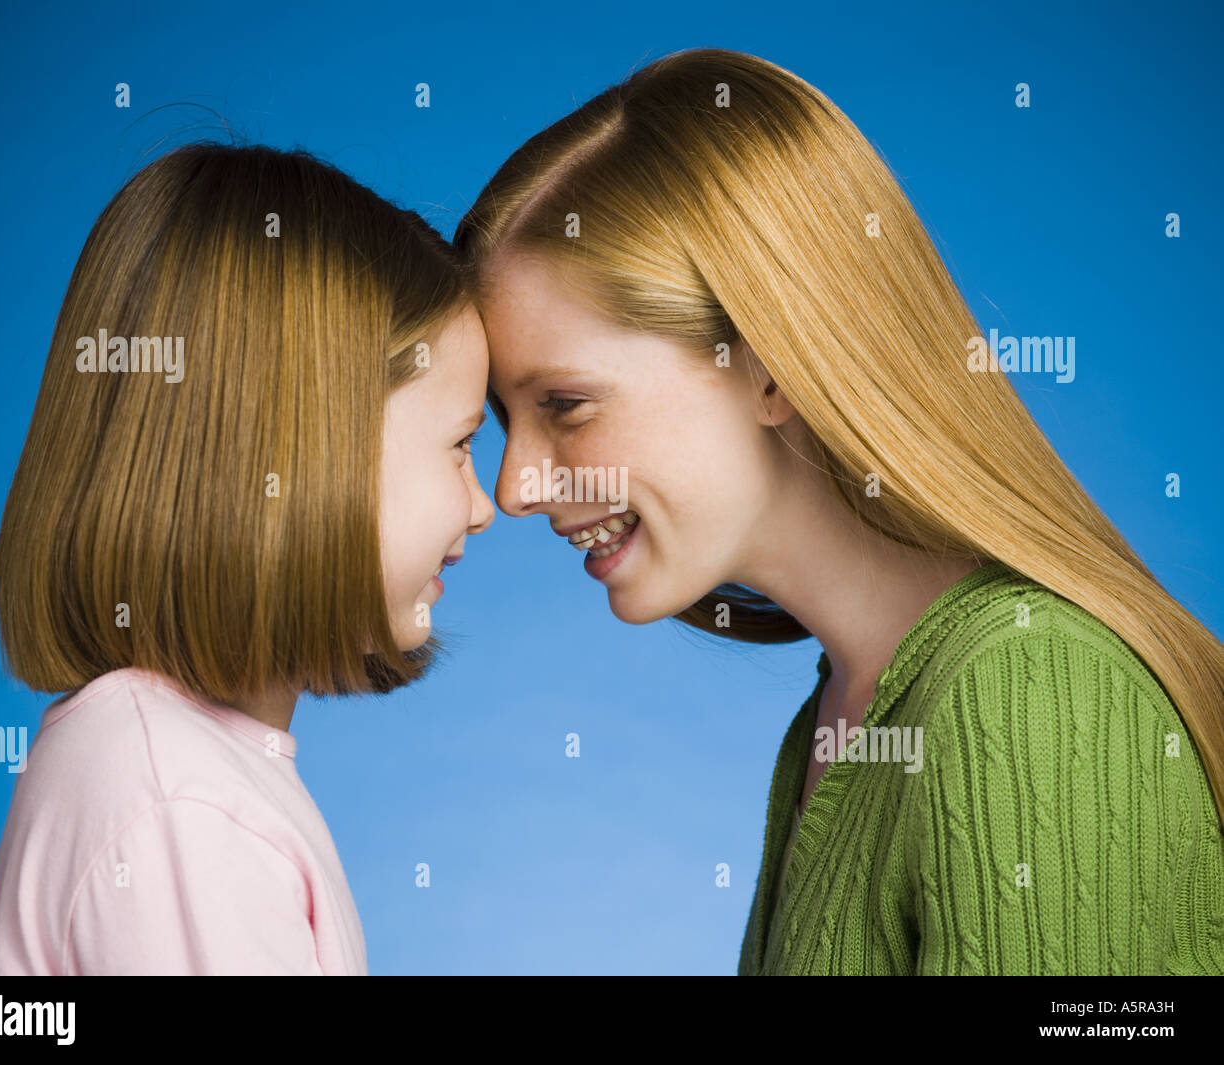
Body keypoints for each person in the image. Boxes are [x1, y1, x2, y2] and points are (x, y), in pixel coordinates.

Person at [454, 47, 1224, 975]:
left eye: (565, 406)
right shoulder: (838, 720)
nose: (516, 487)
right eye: (504, 420)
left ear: (770, 365)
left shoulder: (1029, 692)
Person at [0, 142, 494, 975]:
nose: (484, 504)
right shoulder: (179, 804)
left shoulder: (178, 773)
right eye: (460, 444)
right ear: (303, 452)